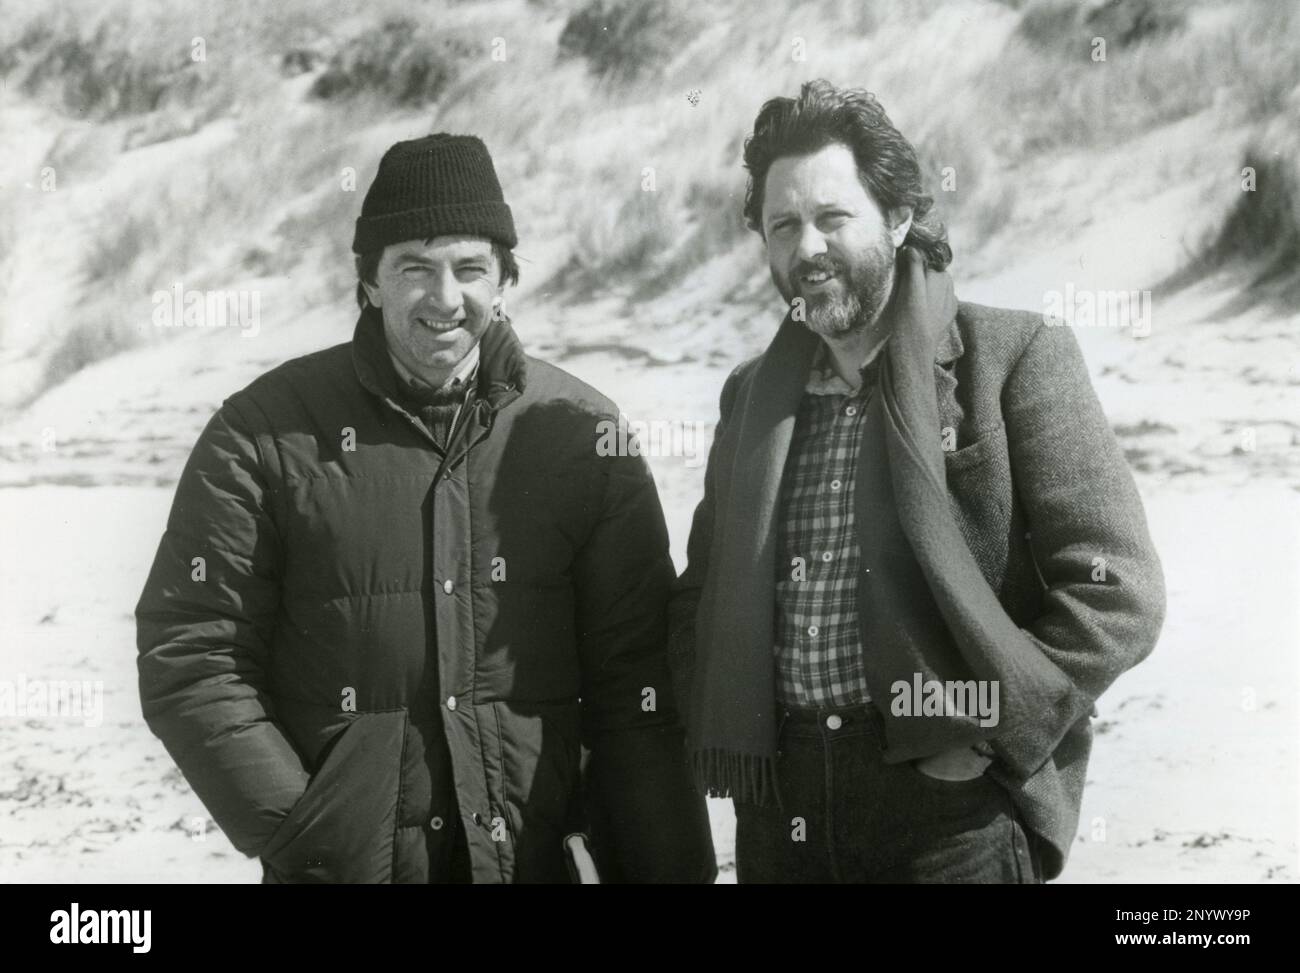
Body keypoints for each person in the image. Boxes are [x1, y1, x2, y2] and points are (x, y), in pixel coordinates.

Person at [136, 133, 715, 884]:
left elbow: (633, 682)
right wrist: (316, 837)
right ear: (370, 281)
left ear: (505, 279)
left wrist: (665, 868)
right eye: (414, 267)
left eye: (470, 268)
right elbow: (192, 653)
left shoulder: (582, 434)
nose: (445, 298)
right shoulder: (262, 434)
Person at [668, 81, 1166, 883]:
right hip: (781, 808)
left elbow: (1118, 592)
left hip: (949, 812)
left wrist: (987, 724)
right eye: (783, 226)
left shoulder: (1011, 357)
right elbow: (703, 590)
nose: (809, 249)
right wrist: (729, 722)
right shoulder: (752, 394)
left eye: (833, 218)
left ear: (898, 219)